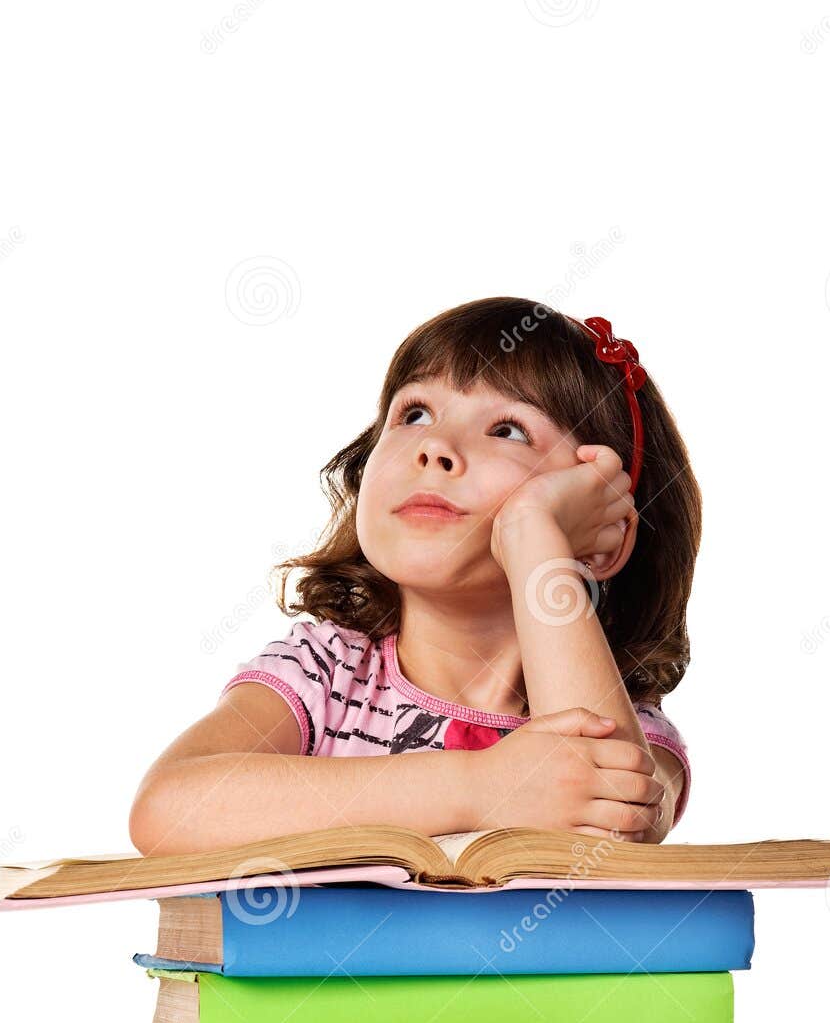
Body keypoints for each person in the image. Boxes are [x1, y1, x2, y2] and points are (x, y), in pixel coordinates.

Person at [129, 297, 700, 855]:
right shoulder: (324, 673)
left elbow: (605, 833)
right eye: (414, 414)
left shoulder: (633, 726)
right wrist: (482, 786)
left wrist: (534, 537)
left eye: (508, 430)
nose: (434, 447)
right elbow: (167, 810)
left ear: (600, 529)